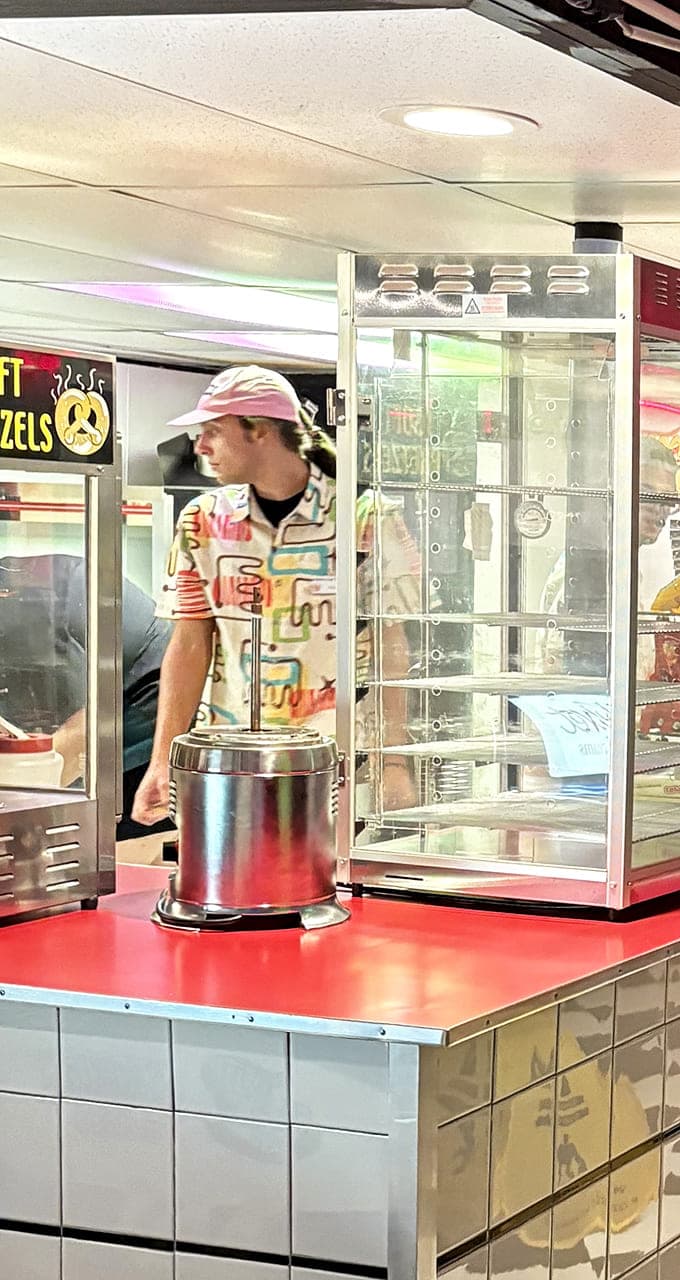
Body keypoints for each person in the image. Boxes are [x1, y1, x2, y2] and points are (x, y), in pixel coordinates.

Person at [133, 365, 420, 825]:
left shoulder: (365, 516)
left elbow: (392, 644)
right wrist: (163, 761)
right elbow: (188, 643)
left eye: (213, 430)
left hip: (335, 763)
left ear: (260, 431)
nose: (200, 446)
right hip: (231, 764)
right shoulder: (201, 522)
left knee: (329, 889)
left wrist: (394, 760)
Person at [0, 554, 172, 839]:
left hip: (141, 705)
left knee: (119, 838)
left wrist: (29, 811)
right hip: (89, 703)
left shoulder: (40, 607)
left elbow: (85, 725)